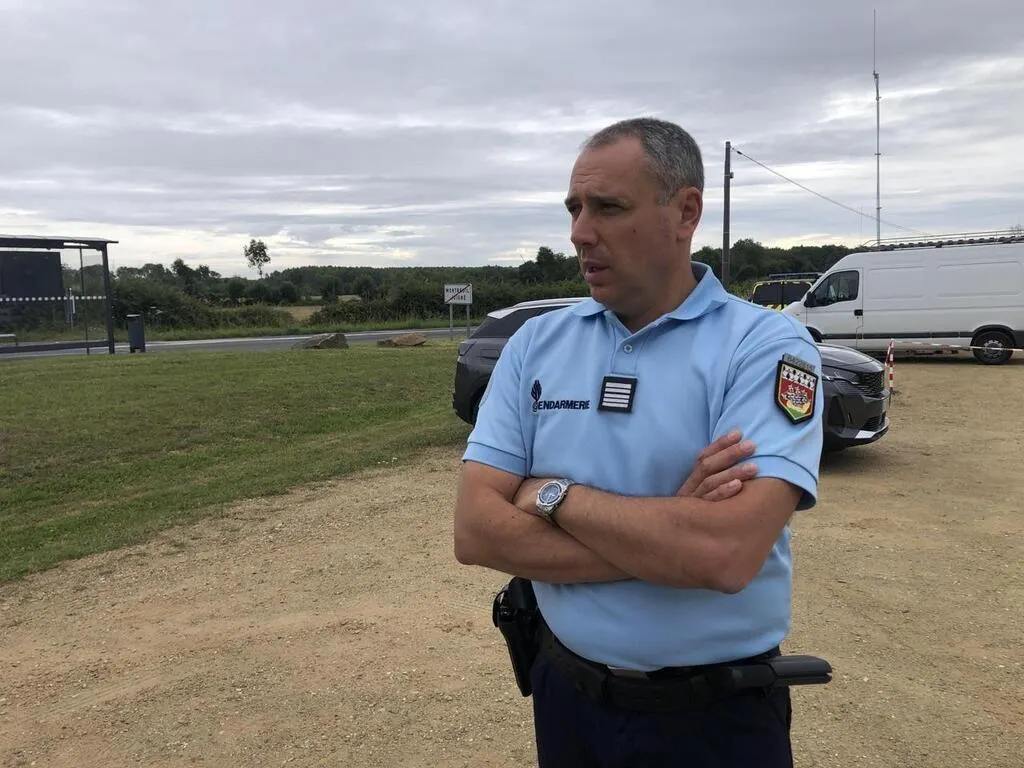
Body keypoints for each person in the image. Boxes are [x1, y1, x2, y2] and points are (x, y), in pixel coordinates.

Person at [453, 117, 824, 767]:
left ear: (685, 213)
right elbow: (475, 531)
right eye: (573, 208)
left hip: (710, 722)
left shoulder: (764, 349)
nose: (579, 232)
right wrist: (663, 536)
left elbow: (725, 554)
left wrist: (550, 494)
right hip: (564, 697)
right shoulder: (538, 345)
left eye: (608, 207)